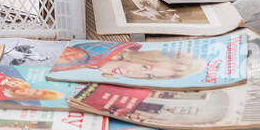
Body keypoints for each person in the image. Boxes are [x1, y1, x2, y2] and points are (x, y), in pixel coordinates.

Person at [51, 42, 204, 82]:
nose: (136, 74)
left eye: (148, 76)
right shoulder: (82, 57)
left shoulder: (94, 65)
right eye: (145, 66)